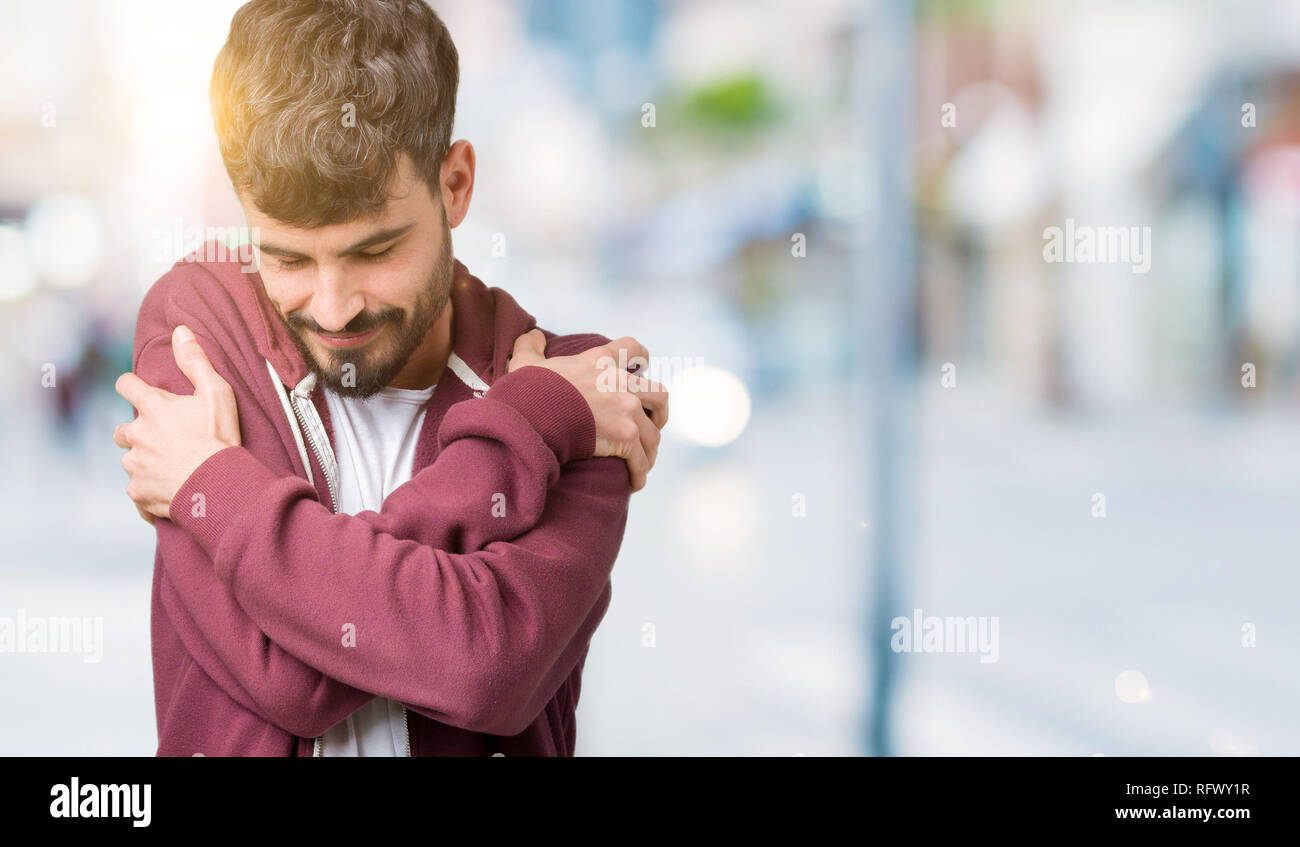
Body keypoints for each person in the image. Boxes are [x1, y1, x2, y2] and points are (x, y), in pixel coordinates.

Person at [110, 0, 667, 756]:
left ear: (457, 183)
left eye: (374, 251)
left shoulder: (582, 388)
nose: (333, 308)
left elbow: (487, 671)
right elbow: (286, 679)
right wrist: (530, 431)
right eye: (289, 258)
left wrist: (222, 487)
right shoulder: (198, 330)